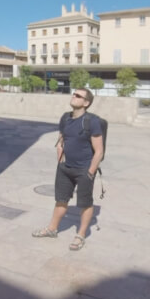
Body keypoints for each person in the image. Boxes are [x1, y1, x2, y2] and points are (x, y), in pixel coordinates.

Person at [32, 87, 103, 250]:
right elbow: (61, 139)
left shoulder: (91, 121)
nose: (74, 96)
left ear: (86, 103)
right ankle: (52, 229)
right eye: (74, 94)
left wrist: (90, 172)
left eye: (78, 96)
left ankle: (81, 235)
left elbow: (99, 151)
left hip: (84, 170)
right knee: (61, 200)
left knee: (85, 203)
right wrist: (60, 159)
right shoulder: (65, 118)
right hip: (65, 169)